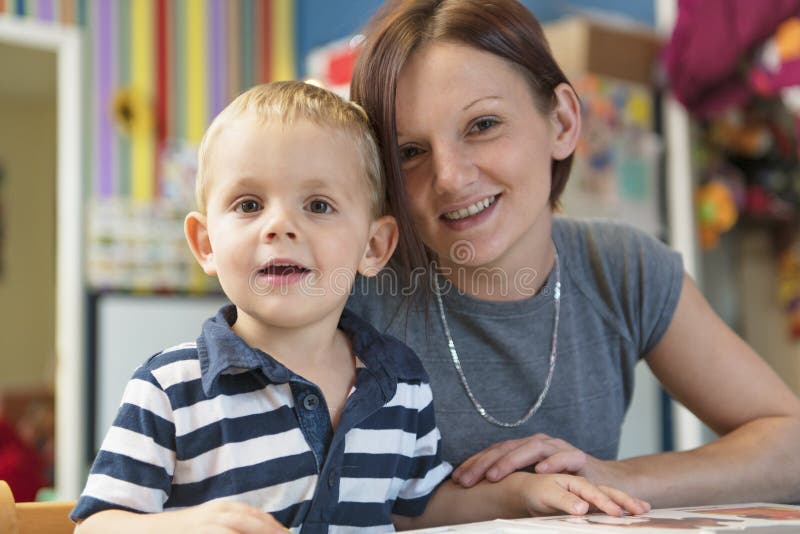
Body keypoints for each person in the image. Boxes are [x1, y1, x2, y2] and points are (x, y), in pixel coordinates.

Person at [70, 81, 648, 533]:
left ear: (374, 247)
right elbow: (97, 524)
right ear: (205, 244)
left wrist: (522, 494)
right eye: (248, 204)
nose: (280, 226)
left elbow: (420, 506)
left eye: (318, 205)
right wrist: (182, 527)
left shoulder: (400, 383)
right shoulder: (169, 388)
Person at [347, 0, 800, 509]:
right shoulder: (352, 291)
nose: (450, 177)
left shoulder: (621, 268)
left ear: (561, 121)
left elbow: (790, 446)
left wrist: (614, 478)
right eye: (410, 151)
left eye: (483, 125)